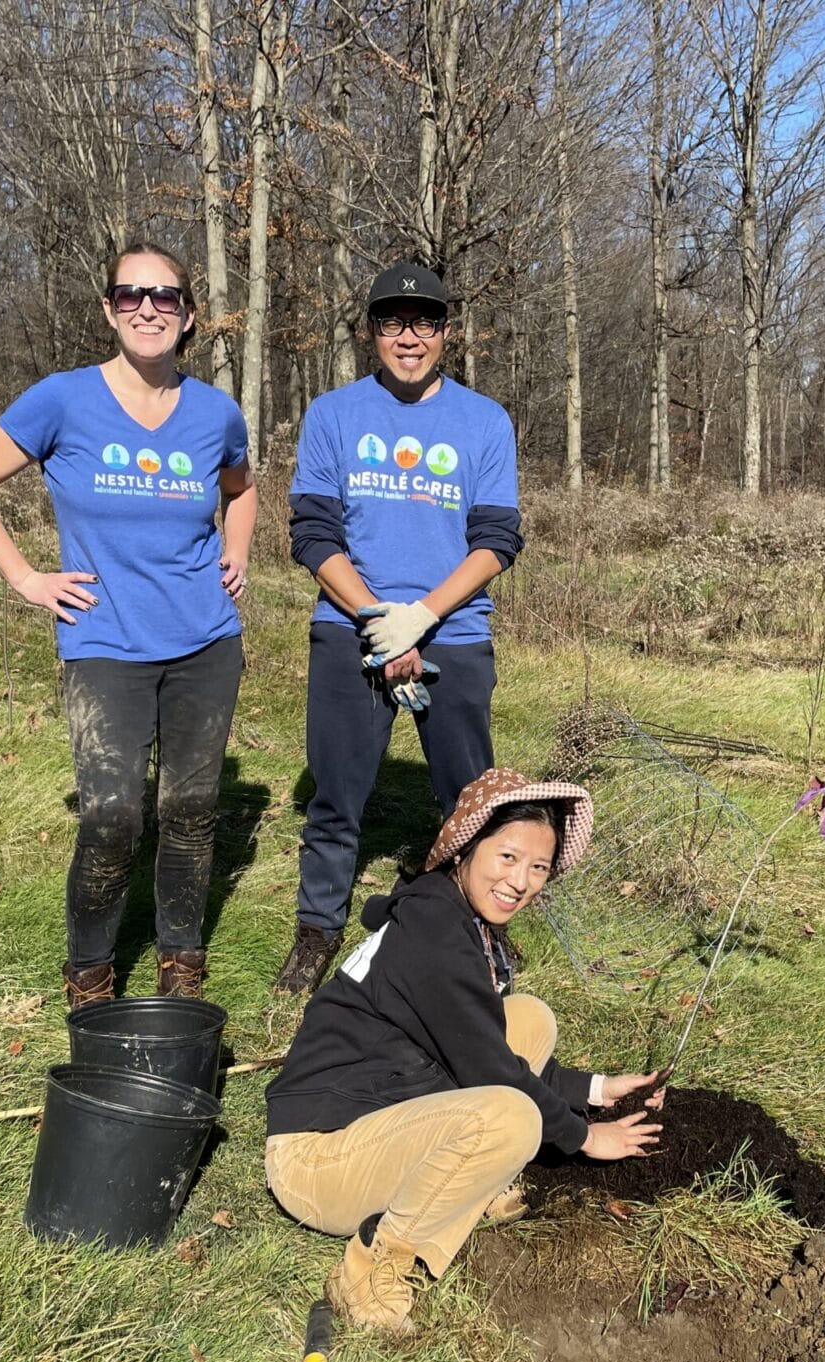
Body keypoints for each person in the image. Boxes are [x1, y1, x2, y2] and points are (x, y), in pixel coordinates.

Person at [0, 240, 256, 1007]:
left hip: (205, 643)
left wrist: (237, 553)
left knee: (189, 809)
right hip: (104, 641)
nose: (147, 308)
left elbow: (242, 489)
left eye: (166, 297)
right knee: (113, 814)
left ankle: (181, 956)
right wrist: (24, 576)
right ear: (108, 308)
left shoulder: (216, 410)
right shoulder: (62, 399)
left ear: (189, 316)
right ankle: (89, 970)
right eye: (130, 295)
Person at [263, 769, 666, 1334]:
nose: (520, 881)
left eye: (538, 868)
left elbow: (480, 1039)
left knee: (526, 1018)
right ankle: (371, 1273)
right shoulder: (435, 932)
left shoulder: (448, 911)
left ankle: (469, 1183)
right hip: (318, 1161)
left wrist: (595, 1089)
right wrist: (585, 1136)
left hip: (379, 1111)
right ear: (468, 847)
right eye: (507, 857)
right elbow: (489, 1067)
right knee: (512, 1117)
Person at [274, 261, 523, 993]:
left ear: (446, 332)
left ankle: (480, 931)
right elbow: (313, 534)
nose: (407, 337)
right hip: (350, 625)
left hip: (454, 627)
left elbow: (497, 540)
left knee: (470, 797)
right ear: (372, 331)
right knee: (336, 795)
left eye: (423, 322)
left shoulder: (484, 421)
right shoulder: (333, 415)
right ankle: (317, 928)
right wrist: (377, 618)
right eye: (391, 321)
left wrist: (423, 615)